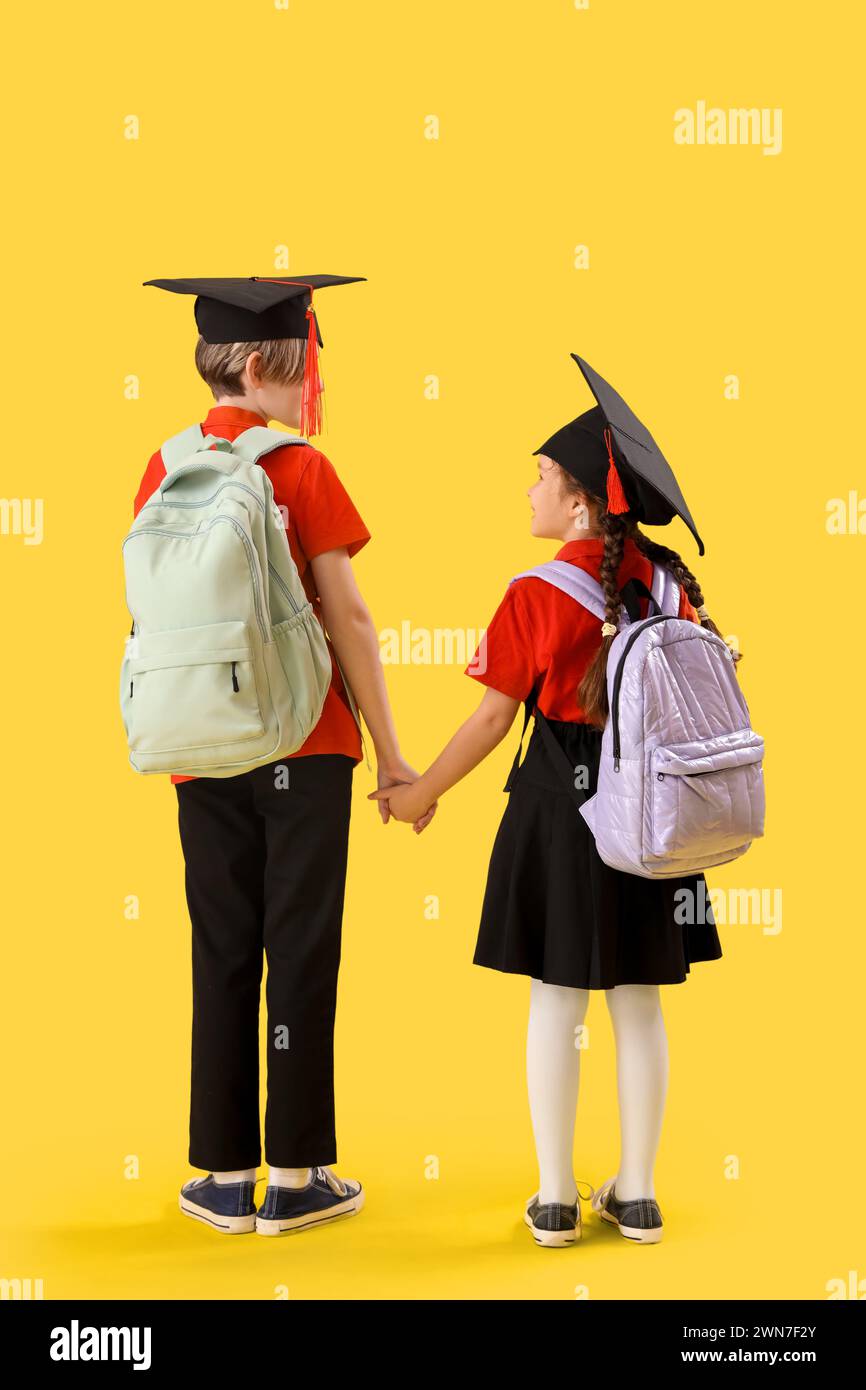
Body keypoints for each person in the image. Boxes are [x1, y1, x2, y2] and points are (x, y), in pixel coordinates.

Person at [371, 358, 730, 1248]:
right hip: (656, 807)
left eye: (540, 477)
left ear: (577, 505)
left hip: (562, 806)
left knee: (557, 999)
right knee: (642, 1001)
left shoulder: (533, 595)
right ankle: (639, 1195)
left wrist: (421, 793)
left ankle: (558, 1199)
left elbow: (494, 719)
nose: (527, 489)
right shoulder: (672, 586)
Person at [133, 275, 434, 1236]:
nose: (306, 387)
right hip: (305, 746)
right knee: (299, 951)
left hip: (197, 746)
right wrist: (392, 754)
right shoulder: (300, 468)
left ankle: (223, 1178)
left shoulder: (163, 464)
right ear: (263, 365)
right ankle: (298, 1177)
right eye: (298, 369)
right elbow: (346, 616)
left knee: (220, 950)